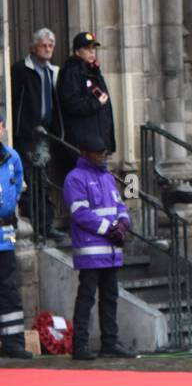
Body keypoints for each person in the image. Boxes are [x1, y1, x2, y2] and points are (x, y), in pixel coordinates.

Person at [64, 130, 134, 360]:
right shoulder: (75, 178)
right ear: (85, 153)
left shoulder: (107, 177)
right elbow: (80, 213)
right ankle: (80, 345)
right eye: (98, 154)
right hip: (91, 250)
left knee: (110, 296)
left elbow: (120, 206)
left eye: (104, 154)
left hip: (111, 250)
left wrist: (123, 225)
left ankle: (110, 342)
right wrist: (109, 229)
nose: (102, 157)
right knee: (87, 296)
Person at [11, 27, 65, 241]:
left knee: (43, 181)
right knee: (27, 181)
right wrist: (19, 128)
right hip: (25, 134)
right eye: (44, 45)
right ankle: (33, 225)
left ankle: (46, 225)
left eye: (51, 46)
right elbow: (14, 101)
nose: (48, 49)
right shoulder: (21, 69)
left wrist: (57, 131)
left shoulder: (52, 72)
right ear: (33, 48)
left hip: (45, 135)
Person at [57, 32, 116, 159]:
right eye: (87, 49)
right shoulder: (72, 71)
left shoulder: (93, 71)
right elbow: (71, 104)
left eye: (93, 49)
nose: (92, 53)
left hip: (98, 143)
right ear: (77, 52)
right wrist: (96, 103)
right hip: (84, 145)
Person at [0, 109, 29, 357]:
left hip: (5, 234)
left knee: (8, 286)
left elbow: (17, 184)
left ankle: (14, 342)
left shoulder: (12, 157)